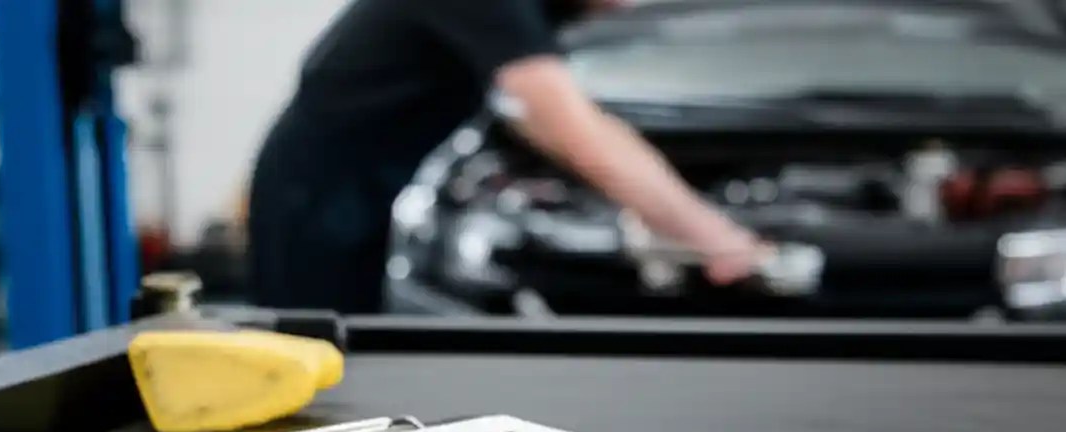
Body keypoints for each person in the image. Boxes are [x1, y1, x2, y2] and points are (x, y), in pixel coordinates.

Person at [247, 0, 772, 314]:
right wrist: (716, 237)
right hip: (323, 190)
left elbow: (536, 117)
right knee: (323, 347)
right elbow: (567, 125)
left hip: (377, 179)